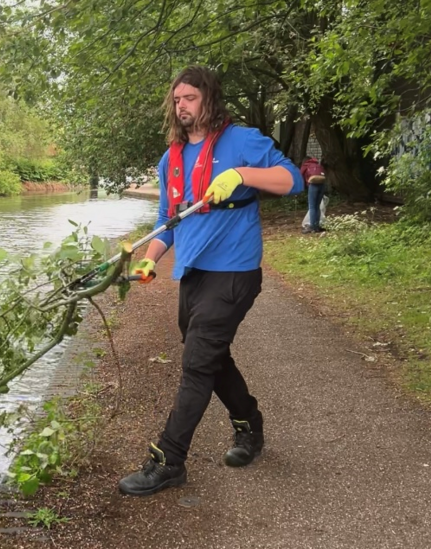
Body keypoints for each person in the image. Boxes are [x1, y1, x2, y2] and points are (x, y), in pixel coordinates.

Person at [118, 65, 304, 497]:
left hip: (235, 270)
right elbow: (168, 220)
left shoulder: (243, 141)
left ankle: (168, 460)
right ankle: (249, 426)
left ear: (209, 99)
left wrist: (242, 175)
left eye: (191, 98)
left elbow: (291, 179)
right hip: (193, 272)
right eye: (177, 99)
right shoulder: (172, 157)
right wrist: (150, 260)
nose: (182, 106)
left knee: (198, 362)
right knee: (210, 355)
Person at [300, 156, 327, 233]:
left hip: (313, 185)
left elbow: (300, 176)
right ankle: (317, 226)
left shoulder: (306, 165)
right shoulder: (318, 164)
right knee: (317, 206)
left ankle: (312, 227)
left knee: (312, 207)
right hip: (322, 184)